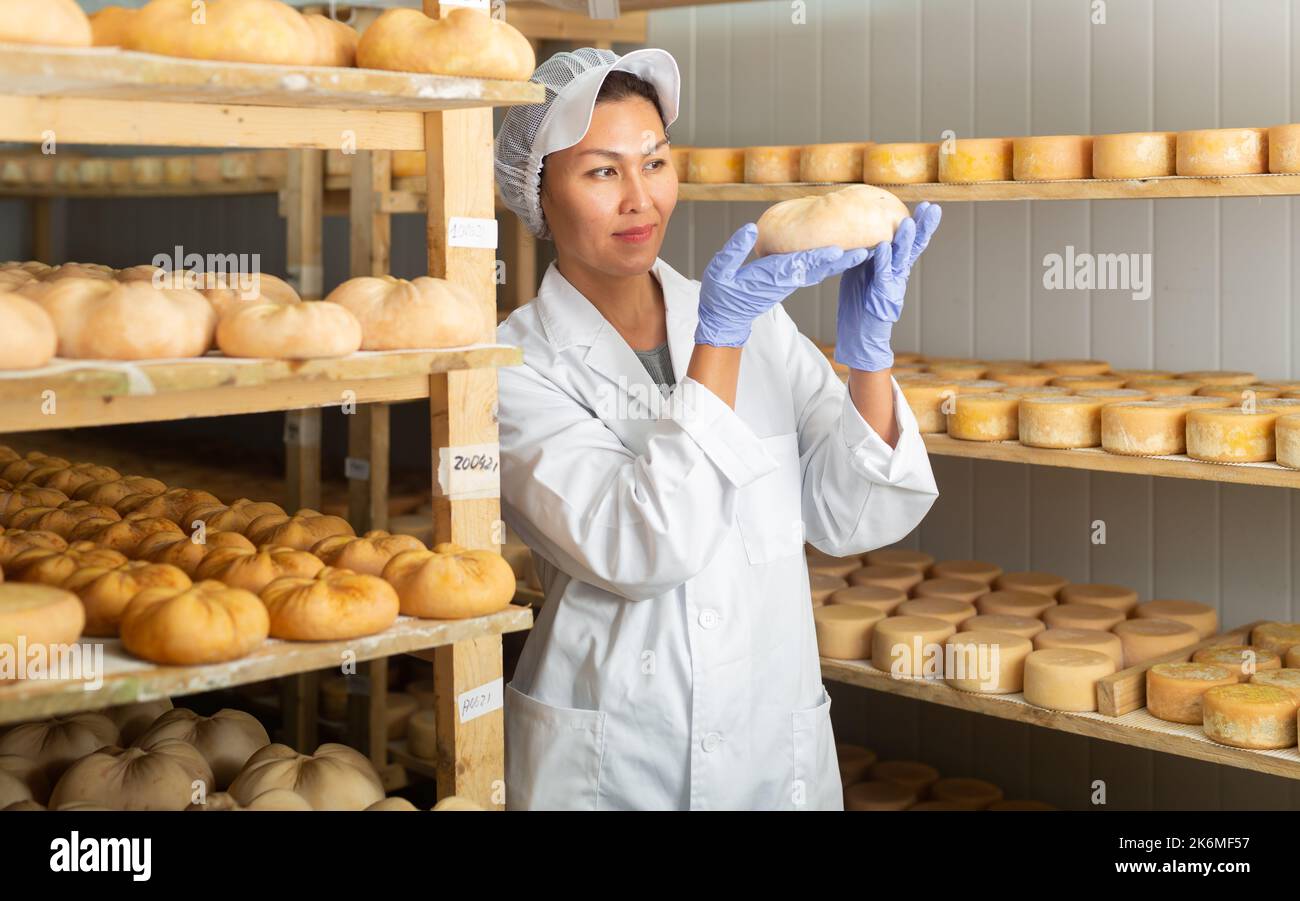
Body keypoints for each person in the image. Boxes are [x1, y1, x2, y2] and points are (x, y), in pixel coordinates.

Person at [493, 47, 942, 810]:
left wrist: (868, 359)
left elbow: (854, 516)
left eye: (654, 162)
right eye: (602, 172)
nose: (640, 199)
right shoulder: (512, 366)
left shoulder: (753, 321)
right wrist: (721, 339)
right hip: (617, 754)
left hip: (770, 746)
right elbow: (645, 546)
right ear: (537, 192)